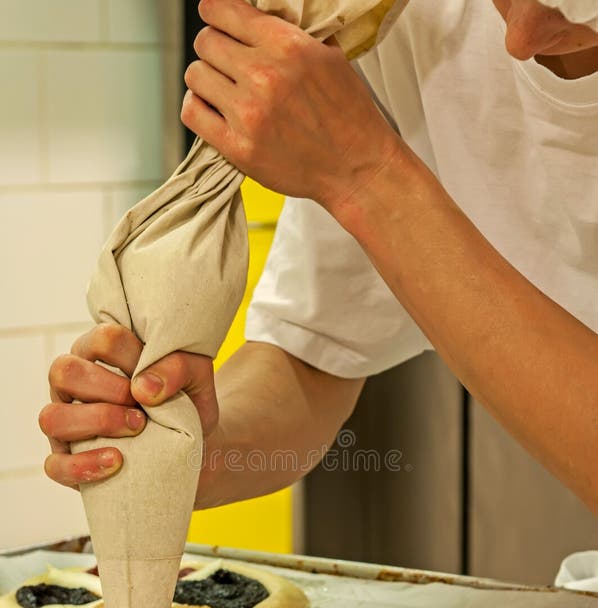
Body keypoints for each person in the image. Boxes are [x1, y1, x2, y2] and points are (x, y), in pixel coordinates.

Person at [41, 0, 598, 516]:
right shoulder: (412, 21)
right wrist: (195, 447)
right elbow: (312, 362)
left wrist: (367, 175)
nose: (520, 37)